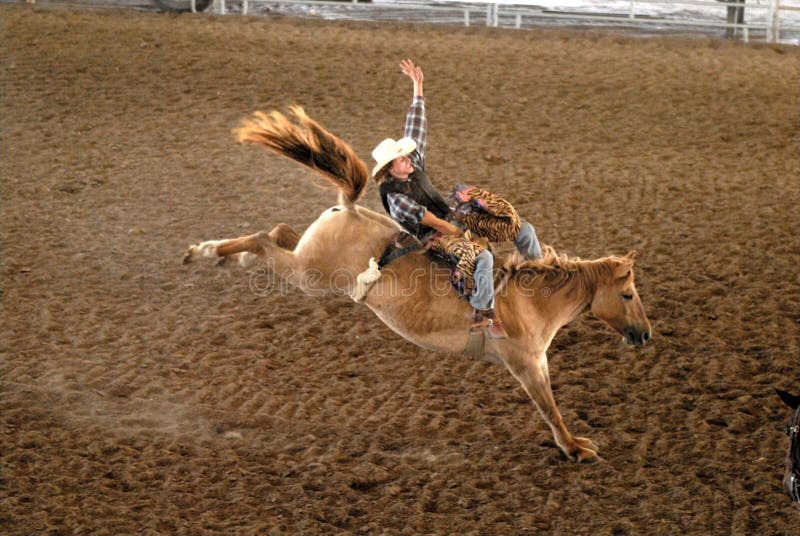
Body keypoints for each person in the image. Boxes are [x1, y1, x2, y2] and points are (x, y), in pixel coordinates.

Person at [371, 59, 543, 339]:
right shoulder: (397, 200)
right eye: (401, 159)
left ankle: (541, 273)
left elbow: (416, 129)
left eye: (405, 155)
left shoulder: (412, 166)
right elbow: (437, 224)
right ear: (390, 170)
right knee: (482, 257)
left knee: (523, 229)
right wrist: (468, 234)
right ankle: (482, 311)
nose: (407, 159)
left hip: (455, 217)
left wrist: (417, 89)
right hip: (437, 235)